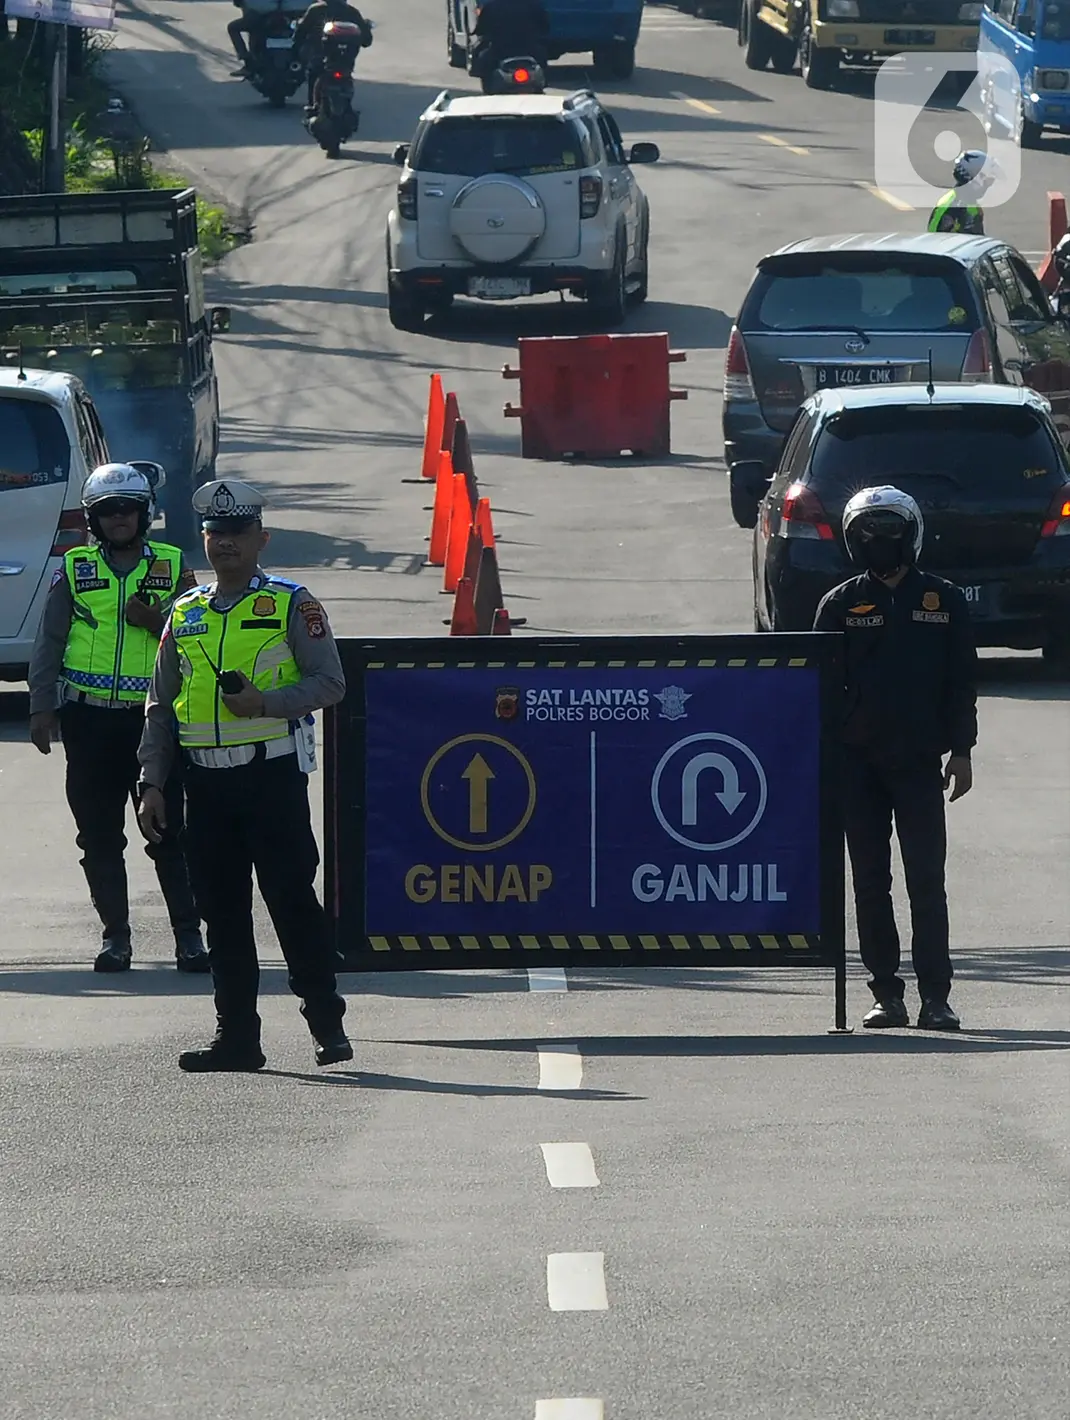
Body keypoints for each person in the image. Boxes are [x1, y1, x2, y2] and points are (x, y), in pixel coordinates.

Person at [136, 479, 351, 1073]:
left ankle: (327, 1024)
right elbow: (162, 706)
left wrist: (266, 704)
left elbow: (330, 683)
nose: (225, 544)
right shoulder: (186, 611)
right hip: (204, 787)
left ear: (261, 539)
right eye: (215, 533)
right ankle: (237, 1038)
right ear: (203, 539)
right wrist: (152, 781)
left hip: (269, 780)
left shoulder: (291, 602)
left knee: (290, 901)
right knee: (222, 914)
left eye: (237, 534)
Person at [27, 463, 209, 975]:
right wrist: (42, 705)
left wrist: (157, 620)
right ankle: (116, 938)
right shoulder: (76, 566)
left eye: (128, 508)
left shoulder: (176, 567)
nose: (119, 519)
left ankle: (189, 937)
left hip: (155, 722)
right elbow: (50, 641)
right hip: (89, 724)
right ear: (93, 519)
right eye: (107, 512)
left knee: (168, 831)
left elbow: (200, 638)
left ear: (145, 512)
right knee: (99, 836)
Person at [813, 486, 977, 1032]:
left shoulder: (944, 601)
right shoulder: (838, 605)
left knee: (926, 882)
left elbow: (961, 684)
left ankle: (937, 997)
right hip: (856, 766)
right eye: (866, 532)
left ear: (912, 535)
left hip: (918, 765)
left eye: (888, 531)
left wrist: (963, 751)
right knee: (869, 881)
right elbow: (818, 690)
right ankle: (886, 992)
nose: (878, 541)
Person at [292, 0, 371, 112]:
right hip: (344, 61)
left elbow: (300, 33)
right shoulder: (352, 12)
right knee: (318, 72)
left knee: (313, 73)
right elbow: (367, 40)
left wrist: (297, 46)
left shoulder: (315, 10)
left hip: (321, 59)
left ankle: (313, 104)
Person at [927, 149, 998, 235]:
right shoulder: (953, 208)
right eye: (987, 181)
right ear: (974, 179)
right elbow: (938, 242)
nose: (988, 186)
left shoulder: (970, 204)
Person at [472, 0, 550, 75]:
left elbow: (480, 29)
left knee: (481, 60)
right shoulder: (535, 6)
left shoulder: (491, 6)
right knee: (542, 61)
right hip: (530, 49)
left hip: (500, 51)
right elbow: (545, 28)